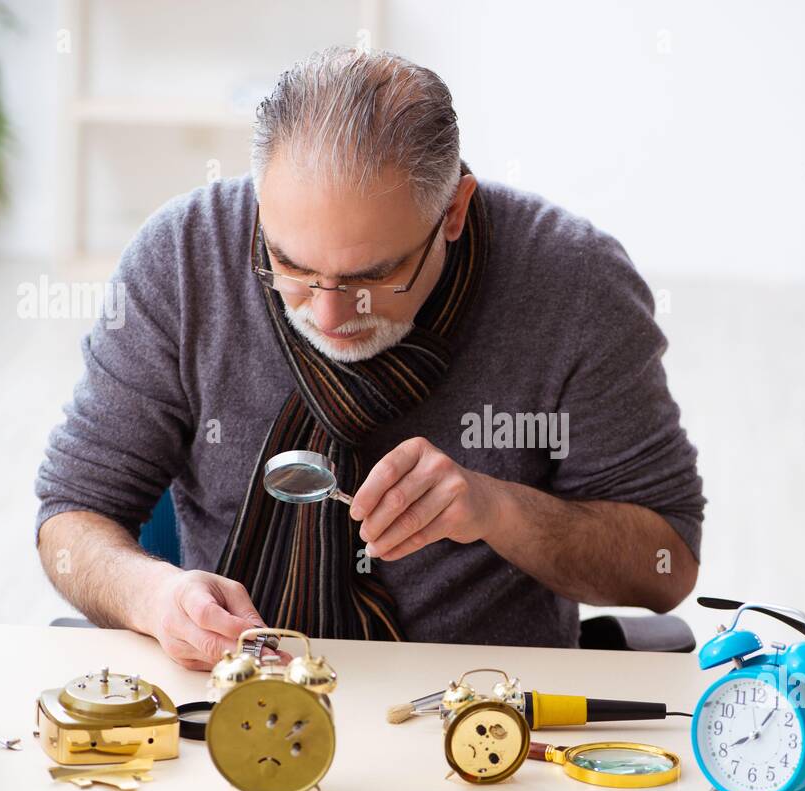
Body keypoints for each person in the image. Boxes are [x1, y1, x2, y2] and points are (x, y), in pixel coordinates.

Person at [35, 46, 704, 669]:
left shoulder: (574, 282)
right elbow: (70, 517)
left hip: (476, 715)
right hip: (235, 695)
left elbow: (665, 563)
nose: (328, 317)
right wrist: (151, 595)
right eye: (291, 267)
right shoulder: (185, 257)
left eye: (372, 277)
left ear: (452, 211)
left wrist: (498, 511)